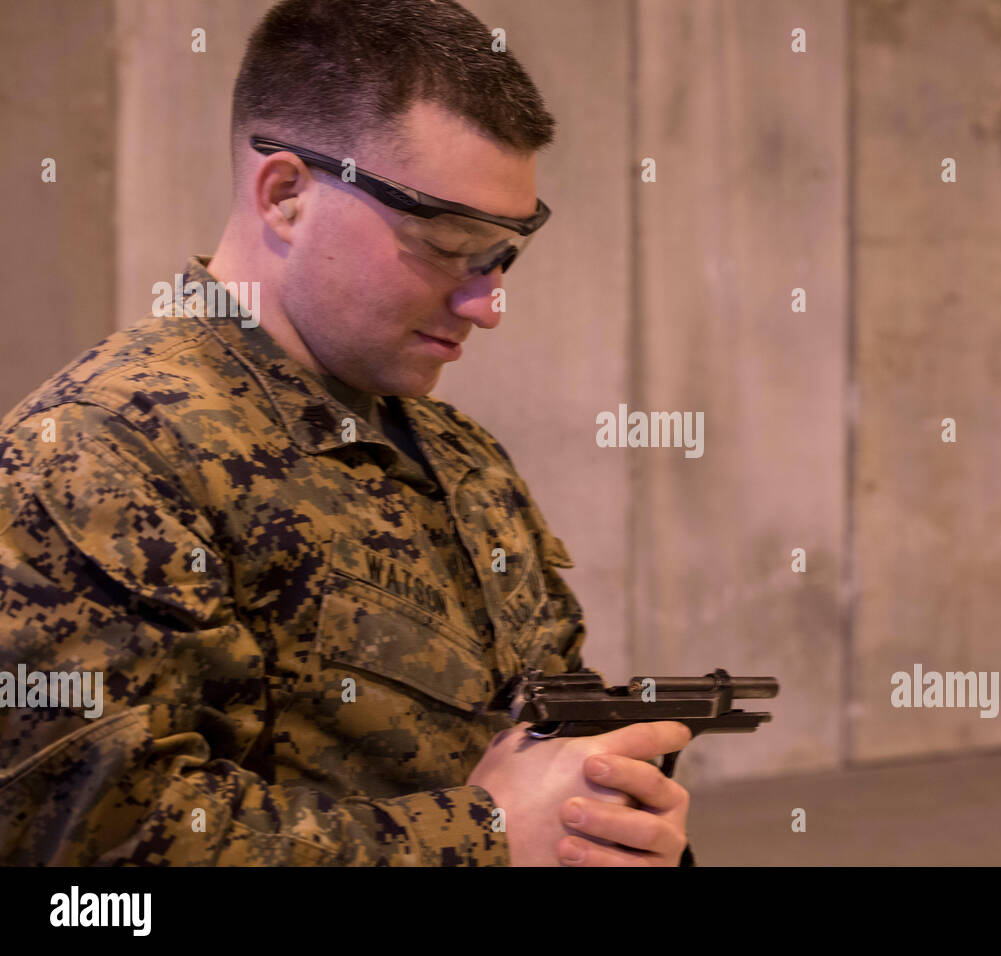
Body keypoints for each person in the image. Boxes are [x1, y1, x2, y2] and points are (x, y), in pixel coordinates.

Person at [0, 0, 691, 866]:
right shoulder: (93, 458)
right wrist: (482, 837)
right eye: (447, 244)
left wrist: (613, 824)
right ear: (286, 195)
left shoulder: (459, 457)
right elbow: (96, 856)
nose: (488, 304)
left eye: (503, 255)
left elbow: (546, 736)